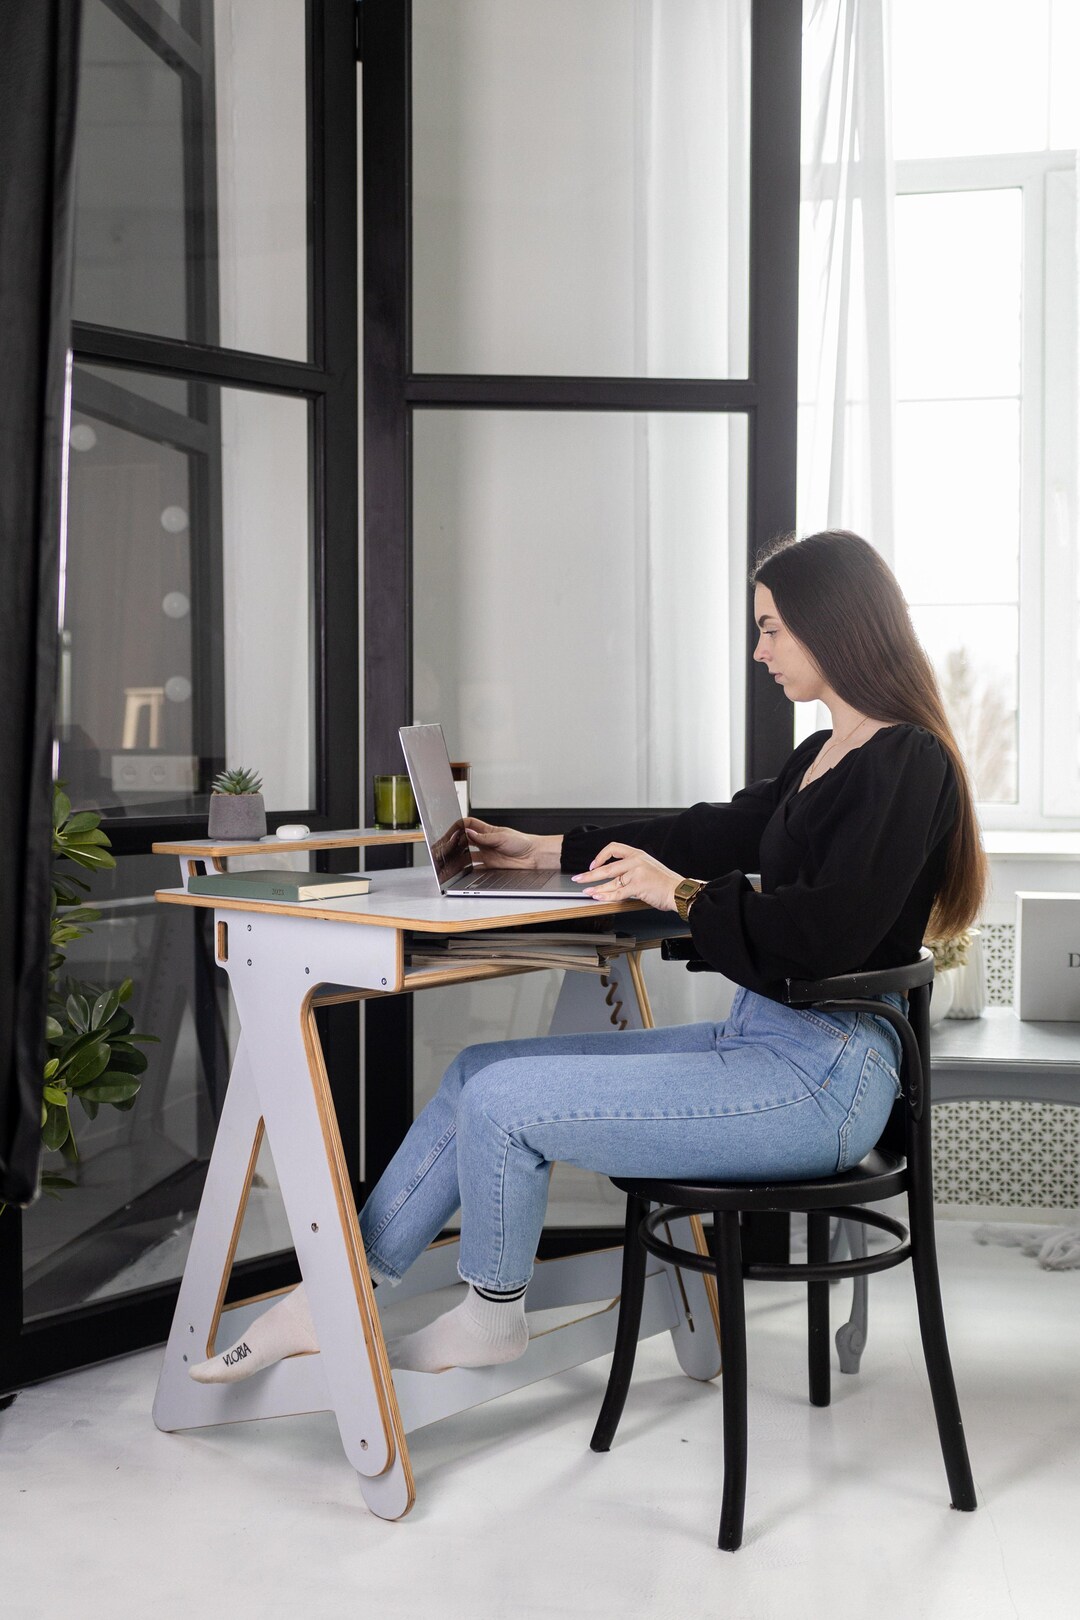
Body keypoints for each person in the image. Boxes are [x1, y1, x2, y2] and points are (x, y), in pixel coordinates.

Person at [190, 529, 986, 1383]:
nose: (759, 651)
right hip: (766, 1045)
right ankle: (334, 1297)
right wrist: (550, 850)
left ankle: (492, 1314)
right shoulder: (827, 752)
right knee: (473, 1073)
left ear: (834, 624)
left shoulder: (908, 759)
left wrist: (673, 893)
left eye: (771, 629)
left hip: (823, 1080)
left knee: (503, 1104)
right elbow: (710, 828)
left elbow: (827, 933)